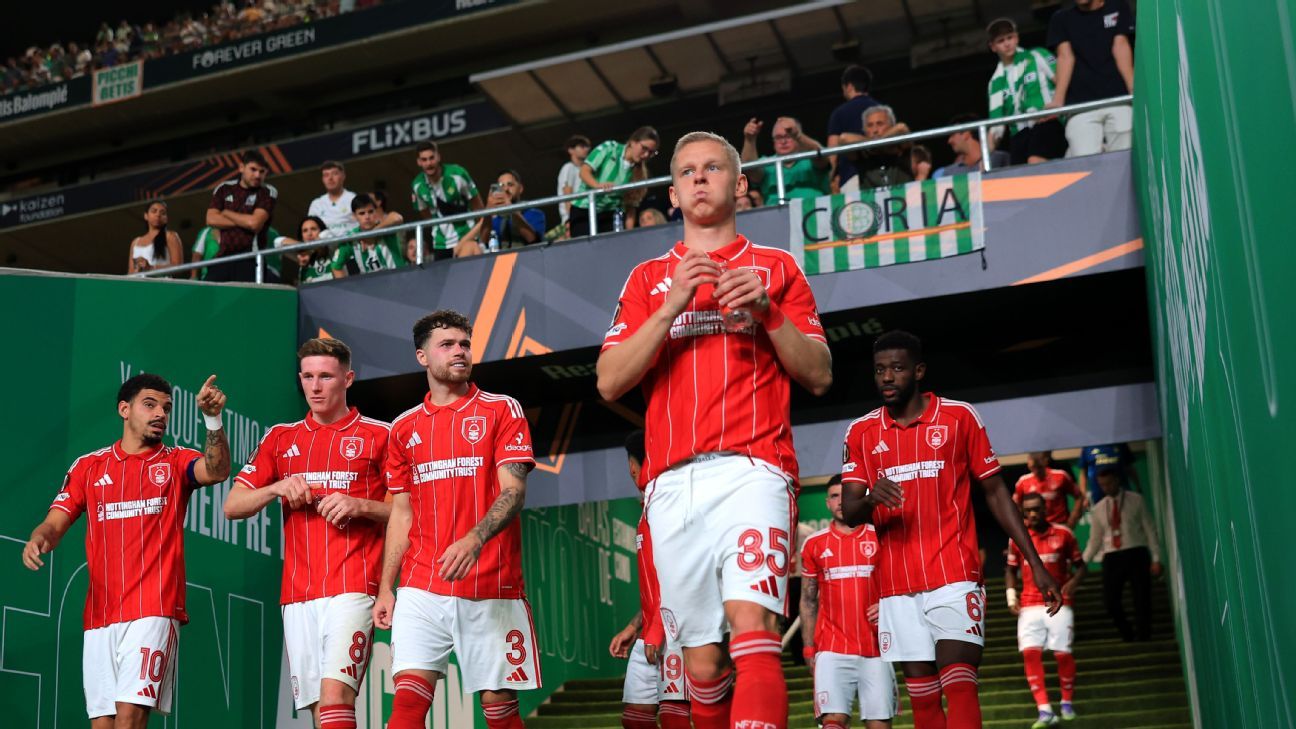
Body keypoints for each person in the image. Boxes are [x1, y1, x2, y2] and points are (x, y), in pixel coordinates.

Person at [596, 131, 832, 729]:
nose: (699, 179)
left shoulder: (776, 269)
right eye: (687, 173)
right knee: (700, 665)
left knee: (753, 627)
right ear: (673, 194)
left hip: (753, 468)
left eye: (713, 168)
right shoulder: (647, 279)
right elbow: (609, 381)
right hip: (670, 483)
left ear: (740, 183)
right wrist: (671, 306)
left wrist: (768, 313)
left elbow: (820, 375)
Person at [840, 330, 1061, 729]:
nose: (887, 377)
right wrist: (872, 499)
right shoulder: (861, 433)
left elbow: (996, 494)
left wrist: (1036, 563)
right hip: (895, 585)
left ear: (919, 370)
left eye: (897, 368)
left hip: (954, 575)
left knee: (959, 683)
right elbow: (852, 512)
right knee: (923, 702)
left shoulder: (959, 417)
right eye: (879, 370)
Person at [21, 373, 231, 728]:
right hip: (101, 615)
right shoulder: (89, 467)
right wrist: (39, 537)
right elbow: (55, 523)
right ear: (124, 409)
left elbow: (218, 470)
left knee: (131, 717)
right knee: (103, 723)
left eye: (166, 407)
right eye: (150, 405)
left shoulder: (177, 462)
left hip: (154, 607)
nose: (160, 414)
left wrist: (213, 420)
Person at [376, 310, 541, 729]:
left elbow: (514, 491)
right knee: (408, 708)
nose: (460, 352)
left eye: (464, 344)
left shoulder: (502, 409)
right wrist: (385, 588)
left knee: (500, 712)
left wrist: (474, 539)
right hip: (421, 584)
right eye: (447, 345)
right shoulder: (403, 428)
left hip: (491, 583)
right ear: (422, 356)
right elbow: (401, 512)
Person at [224, 338, 390, 729]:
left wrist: (360, 504)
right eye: (308, 377)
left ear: (348, 379)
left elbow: (413, 513)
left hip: (355, 585)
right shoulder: (281, 438)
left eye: (326, 377)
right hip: (297, 595)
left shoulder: (381, 435)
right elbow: (233, 506)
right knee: (322, 712)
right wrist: (276, 488)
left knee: (335, 697)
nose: (315, 387)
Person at [607, 430, 692, 729]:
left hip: (676, 631)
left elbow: (679, 576)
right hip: (651, 631)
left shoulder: (672, 508)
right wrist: (635, 625)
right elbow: (656, 585)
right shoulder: (647, 512)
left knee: (673, 717)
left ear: (633, 466)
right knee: (634, 718)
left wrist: (655, 629)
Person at [800, 475, 896, 729]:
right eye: (834, 496)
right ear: (827, 503)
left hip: (877, 649)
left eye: (846, 494)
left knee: (879, 725)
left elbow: (901, 584)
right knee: (832, 723)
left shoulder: (880, 536)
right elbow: (808, 599)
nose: (841, 501)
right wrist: (809, 648)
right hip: (831, 650)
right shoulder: (814, 544)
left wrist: (889, 607)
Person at [1006, 492, 1086, 727]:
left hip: (1059, 603)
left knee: (1062, 652)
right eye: (1028, 510)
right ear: (1023, 513)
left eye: (1037, 509)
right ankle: (1044, 710)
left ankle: (1066, 703)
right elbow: (1010, 570)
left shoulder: (1064, 534)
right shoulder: (1017, 538)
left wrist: (1072, 583)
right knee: (1030, 653)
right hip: (1029, 604)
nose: (1033, 514)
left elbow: (1081, 567)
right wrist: (1011, 598)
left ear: (1045, 509)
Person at [1046, 0, 1135, 156]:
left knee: (1126, 158)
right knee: (1085, 162)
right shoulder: (1061, 18)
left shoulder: (1118, 6)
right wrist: (1057, 100)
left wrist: (1132, 88)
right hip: (1080, 107)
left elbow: (1120, 46)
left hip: (1118, 99)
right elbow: (1065, 57)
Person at [1084, 467, 1161, 641]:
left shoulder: (1136, 500)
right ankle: (1127, 635)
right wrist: (1082, 562)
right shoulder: (1098, 509)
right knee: (1110, 602)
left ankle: (1144, 637)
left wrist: (1156, 558)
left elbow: (1150, 530)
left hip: (1136, 552)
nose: (1106, 487)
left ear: (1117, 480)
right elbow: (1095, 540)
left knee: (1142, 598)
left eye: (1109, 483)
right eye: (1102, 485)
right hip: (1112, 556)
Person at [985, 18, 1067, 164]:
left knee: (1035, 161)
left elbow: (1063, 82)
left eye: (1009, 37)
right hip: (1019, 134)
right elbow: (996, 126)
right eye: (1001, 40)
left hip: (1047, 123)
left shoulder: (1037, 55)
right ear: (993, 46)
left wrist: (1062, 111)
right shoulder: (995, 83)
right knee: (1021, 177)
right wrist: (983, 158)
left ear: (1016, 37)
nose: (1007, 43)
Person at [570, 127, 660, 238]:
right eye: (644, 148)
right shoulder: (609, 148)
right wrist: (597, 186)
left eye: (651, 152)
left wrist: (629, 235)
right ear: (632, 142)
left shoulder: (640, 174)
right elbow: (584, 171)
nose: (646, 155)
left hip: (609, 214)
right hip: (584, 209)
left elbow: (631, 207)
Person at [206, 150, 278, 282]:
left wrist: (226, 213)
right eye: (253, 169)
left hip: (251, 259)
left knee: (247, 301)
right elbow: (211, 219)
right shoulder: (224, 188)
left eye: (262, 172)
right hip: (222, 258)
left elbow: (254, 224)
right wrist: (245, 220)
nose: (257, 175)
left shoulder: (267, 192)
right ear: (241, 168)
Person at [410, 141, 483, 260]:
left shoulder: (458, 174)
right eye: (424, 160)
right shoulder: (417, 185)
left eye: (431, 158)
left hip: (467, 237)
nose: (429, 163)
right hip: (440, 244)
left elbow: (479, 208)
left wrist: (480, 236)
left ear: (438, 157)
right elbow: (426, 215)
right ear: (419, 162)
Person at [741, 116, 831, 204]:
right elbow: (750, 169)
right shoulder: (768, 163)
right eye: (778, 137)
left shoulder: (809, 158)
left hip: (813, 213)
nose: (783, 141)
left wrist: (798, 135)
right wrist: (750, 139)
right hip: (775, 215)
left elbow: (821, 157)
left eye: (789, 136)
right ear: (773, 141)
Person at [839, 106, 925, 188]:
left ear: (891, 126)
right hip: (872, 202)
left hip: (904, 199)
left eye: (880, 124)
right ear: (864, 130)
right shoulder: (862, 153)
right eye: (870, 125)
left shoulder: (900, 146)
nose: (875, 130)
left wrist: (879, 143)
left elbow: (901, 128)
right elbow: (844, 138)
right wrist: (872, 144)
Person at [462, 170, 547, 252]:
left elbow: (532, 239)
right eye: (501, 186)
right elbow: (484, 241)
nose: (506, 189)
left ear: (520, 188)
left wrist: (511, 209)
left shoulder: (534, 213)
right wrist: (488, 211)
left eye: (510, 185)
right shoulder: (495, 218)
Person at [826, 65, 880, 193]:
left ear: (849, 86)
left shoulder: (839, 113)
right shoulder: (881, 109)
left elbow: (832, 152)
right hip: (881, 175)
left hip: (851, 177)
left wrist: (831, 179)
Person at [331, 194, 406, 278]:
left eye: (370, 212)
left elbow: (397, 218)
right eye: (362, 213)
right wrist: (347, 289)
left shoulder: (386, 228)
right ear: (354, 216)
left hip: (398, 282)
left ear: (376, 212)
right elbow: (336, 266)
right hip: (371, 288)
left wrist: (373, 234)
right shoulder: (352, 238)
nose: (367, 217)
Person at [1013, 451, 1085, 528]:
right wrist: (1022, 521)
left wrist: (1073, 519)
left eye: (1039, 467)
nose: (1036, 471)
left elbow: (1079, 497)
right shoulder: (1023, 482)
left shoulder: (1061, 476)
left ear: (1045, 462)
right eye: (1033, 467)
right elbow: (1015, 504)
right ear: (1028, 465)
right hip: (1035, 529)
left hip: (1060, 525)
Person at [940, 113, 1011, 175]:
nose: (949, 141)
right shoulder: (950, 172)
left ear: (966, 134)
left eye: (952, 135)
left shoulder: (1000, 158)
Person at [127, 200, 183, 274]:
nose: (158, 215)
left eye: (163, 213)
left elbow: (178, 266)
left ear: (166, 219)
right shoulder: (135, 242)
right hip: (139, 284)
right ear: (146, 216)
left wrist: (151, 268)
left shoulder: (170, 236)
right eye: (154, 211)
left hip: (161, 283)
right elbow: (130, 272)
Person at [276, 215, 335, 285]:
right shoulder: (302, 255)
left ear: (321, 231)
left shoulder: (332, 249)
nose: (309, 234)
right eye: (305, 231)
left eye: (313, 229)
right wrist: (304, 248)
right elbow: (277, 242)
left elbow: (327, 234)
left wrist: (312, 249)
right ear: (302, 237)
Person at [307, 160, 357, 234]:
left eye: (334, 174)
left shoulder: (353, 198)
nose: (330, 178)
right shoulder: (316, 204)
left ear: (343, 176)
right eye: (326, 175)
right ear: (322, 179)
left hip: (350, 243)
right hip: (324, 244)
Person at [557, 134, 592, 224]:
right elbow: (567, 195)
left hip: (584, 215)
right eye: (582, 146)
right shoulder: (568, 167)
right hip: (573, 218)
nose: (586, 149)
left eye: (587, 147)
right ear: (571, 150)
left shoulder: (587, 170)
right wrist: (570, 218)